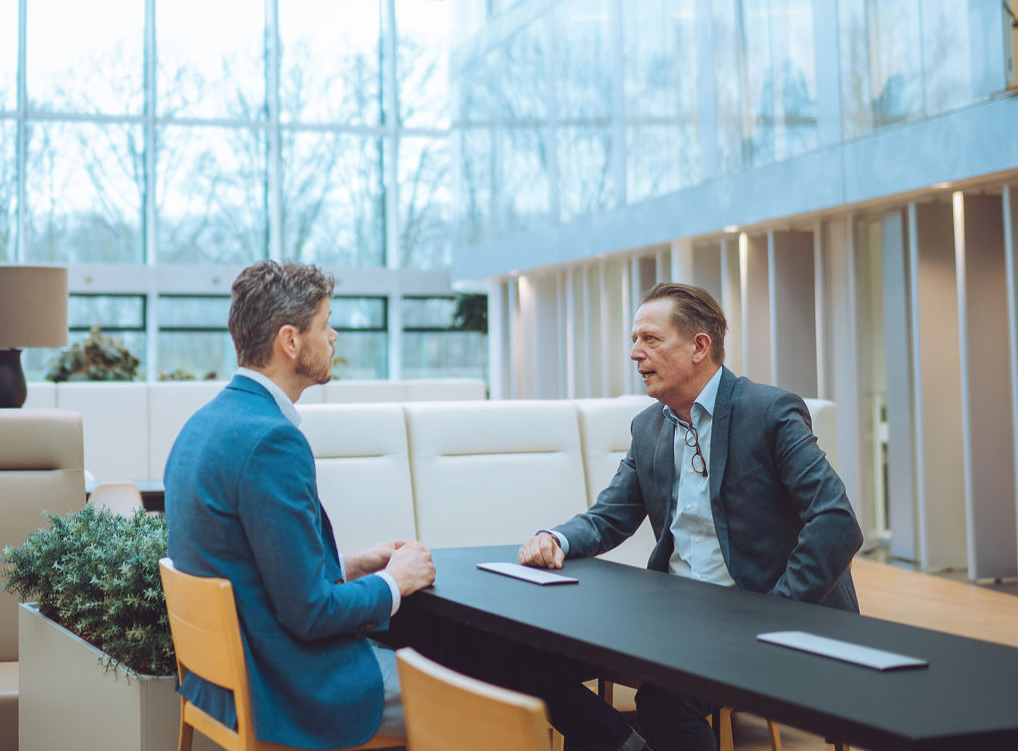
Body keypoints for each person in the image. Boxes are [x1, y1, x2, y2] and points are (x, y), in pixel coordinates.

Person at [519, 282, 864, 751]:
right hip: (678, 619)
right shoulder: (649, 427)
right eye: (634, 341)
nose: (636, 354)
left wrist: (771, 611)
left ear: (700, 346)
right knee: (527, 658)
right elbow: (609, 517)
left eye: (651, 339)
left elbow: (836, 521)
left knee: (664, 700)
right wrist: (555, 538)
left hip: (764, 619)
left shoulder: (769, 412)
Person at [164, 260, 436, 749]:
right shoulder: (272, 441)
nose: (333, 337)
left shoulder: (200, 426)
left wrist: (349, 565)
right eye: (325, 323)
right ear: (290, 341)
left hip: (219, 685)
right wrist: (395, 581)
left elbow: (253, 570)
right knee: (483, 699)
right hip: (290, 690)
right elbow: (310, 613)